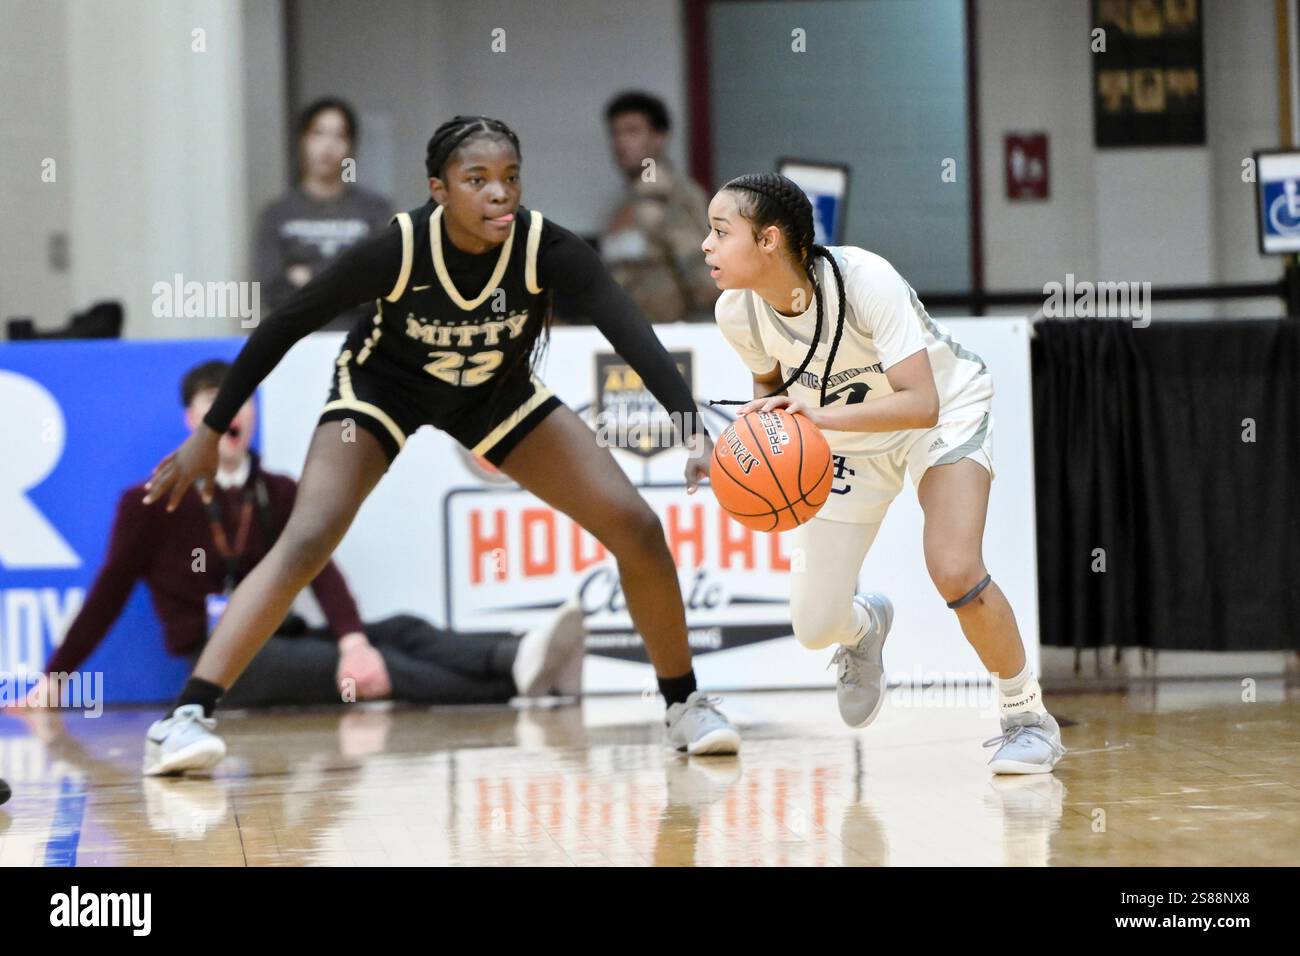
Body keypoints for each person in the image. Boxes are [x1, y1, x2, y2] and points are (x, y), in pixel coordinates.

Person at [140, 115, 741, 776]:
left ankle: (684, 705)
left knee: (636, 527)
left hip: (494, 392)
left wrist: (690, 427)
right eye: (476, 179)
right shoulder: (397, 248)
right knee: (308, 537)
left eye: (510, 178)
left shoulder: (547, 246)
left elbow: (631, 331)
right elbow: (285, 322)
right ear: (438, 189)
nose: (499, 194)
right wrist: (208, 430)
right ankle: (186, 717)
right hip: (381, 389)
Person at [702, 172, 1066, 774]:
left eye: (720, 231)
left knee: (954, 567)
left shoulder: (864, 279)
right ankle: (865, 625)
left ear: (768, 241)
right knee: (816, 626)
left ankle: (1026, 716)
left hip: (940, 414)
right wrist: (756, 441)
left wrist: (815, 416)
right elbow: (771, 391)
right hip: (845, 438)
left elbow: (920, 401)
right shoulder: (736, 312)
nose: (706, 246)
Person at [22, 359, 585, 721]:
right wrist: (55, 679)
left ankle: (513, 654)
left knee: (393, 632)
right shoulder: (152, 500)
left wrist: (351, 640)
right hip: (221, 658)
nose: (232, 414)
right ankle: (516, 681)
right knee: (372, 670)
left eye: (240, 402)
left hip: (282, 633)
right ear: (192, 421)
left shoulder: (278, 490)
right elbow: (109, 592)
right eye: (214, 406)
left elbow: (323, 569)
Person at [255, 97, 393, 332]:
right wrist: (347, 274)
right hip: (296, 341)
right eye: (318, 133)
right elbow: (272, 291)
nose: (327, 146)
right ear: (302, 140)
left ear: (351, 146)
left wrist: (308, 275)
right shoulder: (278, 213)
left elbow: (382, 283)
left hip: (363, 340)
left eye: (339, 136)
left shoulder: (375, 210)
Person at [599, 91, 717, 324]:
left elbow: (706, 282)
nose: (621, 142)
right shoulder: (625, 202)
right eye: (615, 132)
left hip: (673, 340)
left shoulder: (675, 196)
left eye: (632, 131)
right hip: (628, 338)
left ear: (659, 138)